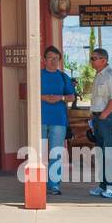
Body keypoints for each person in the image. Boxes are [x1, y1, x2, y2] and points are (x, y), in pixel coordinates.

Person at [88, 47, 112, 198]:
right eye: (91, 58)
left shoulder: (111, 75)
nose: (91, 61)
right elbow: (97, 99)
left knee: (111, 153)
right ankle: (104, 186)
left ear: (104, 60)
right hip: (98, 119)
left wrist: (103, 115)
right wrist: (93, 117)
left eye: (94, 58)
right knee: (101, 153)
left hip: (108, 119)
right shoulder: (98, 76)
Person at [40, 46, 75, 195]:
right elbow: (27, 92)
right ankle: (39, 183)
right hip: (40, 119)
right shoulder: (38, 75)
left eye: (56, 58)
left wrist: (59, 98)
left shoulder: (63, 77)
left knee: (56, 153)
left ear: (60, 60)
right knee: (39, 152)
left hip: (59, 120)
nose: (53, 61)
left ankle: (54, 185)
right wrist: (42, 97)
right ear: (44, 60)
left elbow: (71, 96)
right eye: (50, 58)